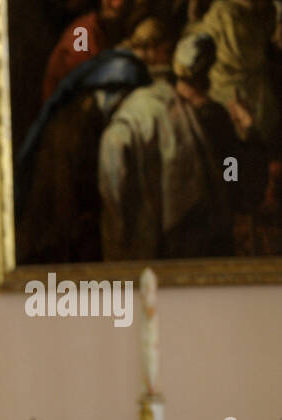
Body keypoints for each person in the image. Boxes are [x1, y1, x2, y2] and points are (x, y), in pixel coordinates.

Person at [98, 31, 269, 258]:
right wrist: (248, 128)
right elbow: (234, 183)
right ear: (209, 71)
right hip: (203, 245)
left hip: (155, 243)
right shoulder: (215, 120)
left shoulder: (148, 106)